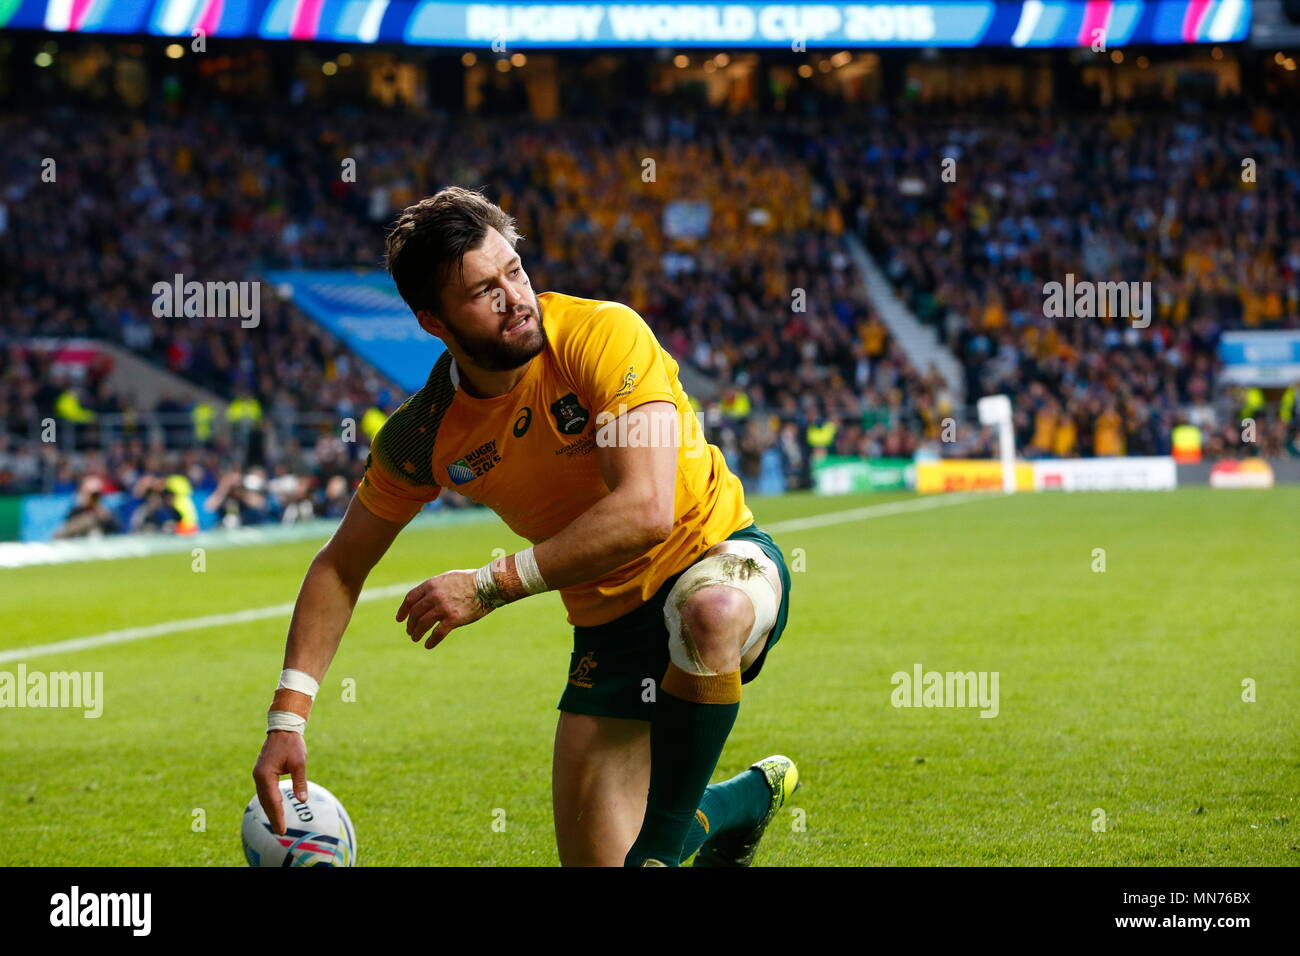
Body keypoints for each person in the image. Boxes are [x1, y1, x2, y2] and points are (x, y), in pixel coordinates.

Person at [251, 187, 798, 867]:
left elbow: (647, 511)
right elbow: (340, 566)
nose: (516, 297)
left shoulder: (602, 332)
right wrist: (287, 719)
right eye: (485, 291)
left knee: (709, 613)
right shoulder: (424, 435)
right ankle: (740, 801)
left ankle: (661, 850)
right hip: (608, 625)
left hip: (717, 557)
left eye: (515, 271)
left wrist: (487, 586)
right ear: (434, 322)